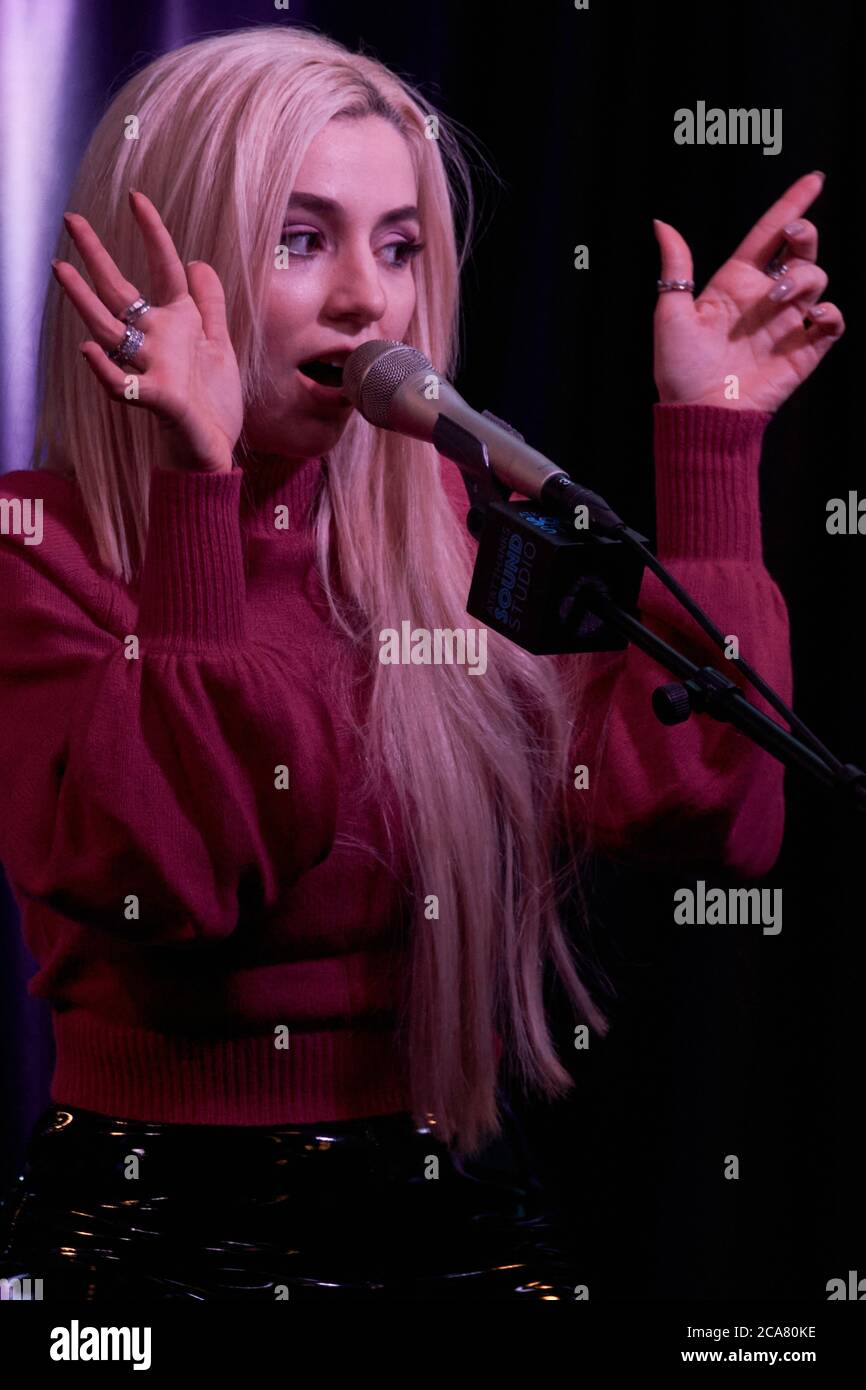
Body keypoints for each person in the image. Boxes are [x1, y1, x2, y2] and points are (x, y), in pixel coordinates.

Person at [0, 26, 842, 1301]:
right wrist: (200, 494)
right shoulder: (39, 550)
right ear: (170, 266)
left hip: (444, 1194)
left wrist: (709, 443)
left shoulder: (439, 533)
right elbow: (171, 883)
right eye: (301, 240)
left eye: (397, 248)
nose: (368, 301)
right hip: (155, 1221)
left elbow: (701, 813)